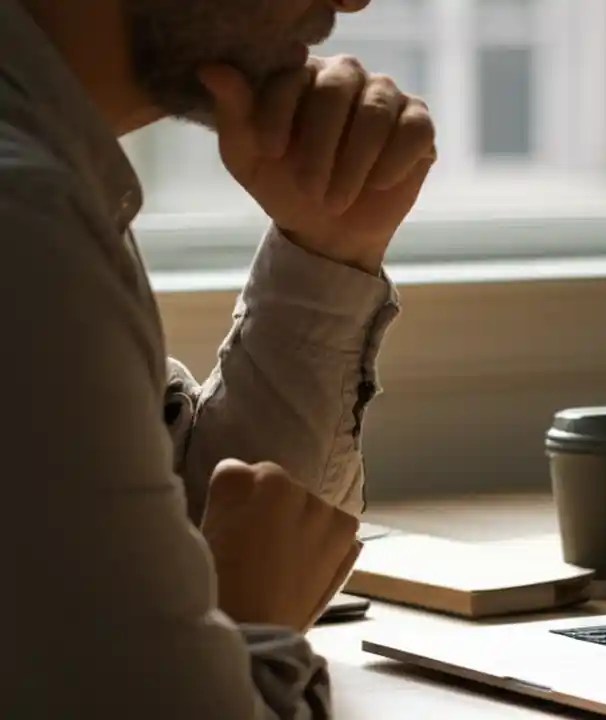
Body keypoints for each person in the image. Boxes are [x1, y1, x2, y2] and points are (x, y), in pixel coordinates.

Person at [2, 0, 436, 716]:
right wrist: (251, 628)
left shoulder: (53, 180)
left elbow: (209, 524)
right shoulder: (21, 223)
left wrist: (325, 255)